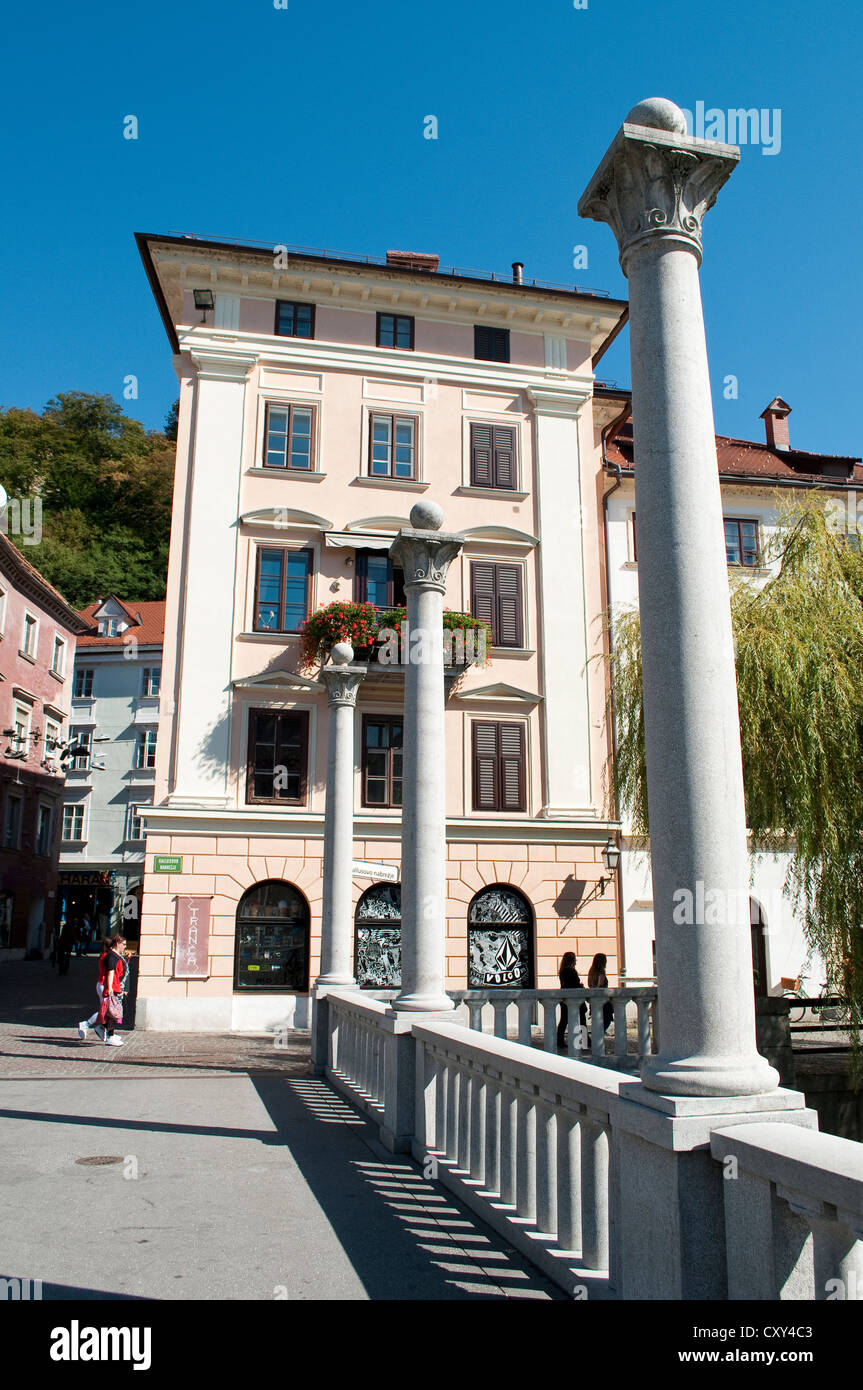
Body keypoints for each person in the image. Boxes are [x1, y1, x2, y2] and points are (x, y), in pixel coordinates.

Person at [77, 935, 126, 1045]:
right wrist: (110, 987)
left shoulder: (108, 955)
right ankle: (87, 1024)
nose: (125, 947)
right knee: (106, 1011)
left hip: (106, 985)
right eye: (123, 944)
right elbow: (111, 973)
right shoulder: (108, 956)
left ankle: (103, 1030)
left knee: (108, 1011)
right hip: (105, 985)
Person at [557, 951, 588, 1050]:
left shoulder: (562, 971)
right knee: (581, 1020)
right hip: (574, 998)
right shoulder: (571, 971)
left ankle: (560, 1040)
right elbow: (574, 984)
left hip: (564, 998)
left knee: (564, 1020)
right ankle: (585, 1040)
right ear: (571, 960)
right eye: (574, 958)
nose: (576, 960)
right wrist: (581, 986)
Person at [588, 952, 614, 1035]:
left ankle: (596, 1035)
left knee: (596, 1019)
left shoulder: (591, 971)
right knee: (606, 1020)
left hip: (593, 998)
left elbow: (590, 985)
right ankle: (598, 1036)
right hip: (603, 999)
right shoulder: (601, 971)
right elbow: (600, 985)